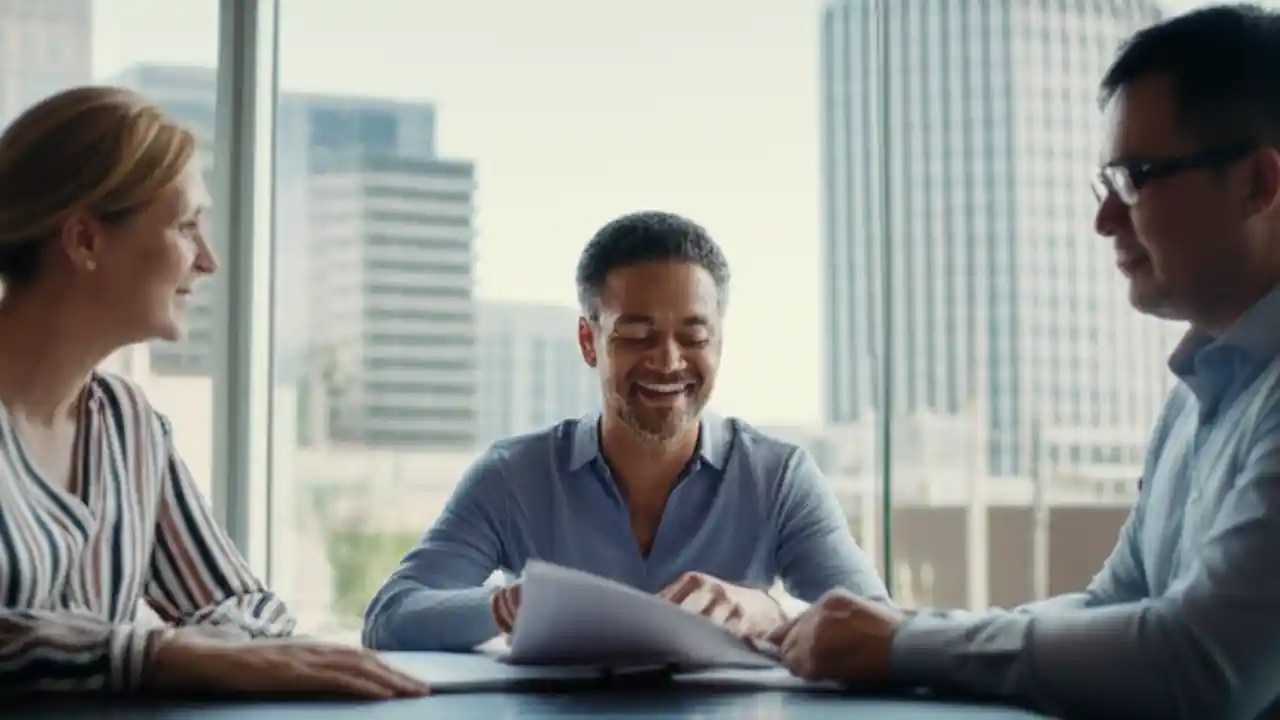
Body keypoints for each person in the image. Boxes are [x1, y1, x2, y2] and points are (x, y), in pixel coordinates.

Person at [771, 5, 1280, 719]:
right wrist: (901, 633)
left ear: (1260, 185)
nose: (1105, 220)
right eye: (1108, 185)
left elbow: (1202, 663)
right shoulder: (1199, 393)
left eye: (1137, 177)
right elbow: (1115, 604)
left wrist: (906, 642)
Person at [0, 86, 428, 700]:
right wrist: (155, 653)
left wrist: (234, 652)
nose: (208, 261)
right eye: (185, 225)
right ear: (85, 240)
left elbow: (239, 604)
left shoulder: (128, 426)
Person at [363, 210, 888, 652]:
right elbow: (389, 617)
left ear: (720, 343)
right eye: (636, 335)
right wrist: (512, 604)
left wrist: (767, 613)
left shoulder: (779, 477)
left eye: (694, 335)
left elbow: (880, 628)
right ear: (589, 342)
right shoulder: (512, 476)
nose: (668, 361)